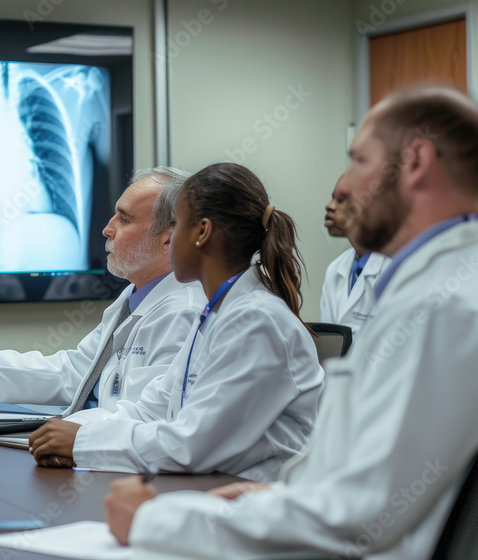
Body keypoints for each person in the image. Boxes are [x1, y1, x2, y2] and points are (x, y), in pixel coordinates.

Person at [103, 85, 478, 559]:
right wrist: (281, 498)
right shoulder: (431, 291)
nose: (341, 187)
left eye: (359, 161)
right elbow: (356, 476)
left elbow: (360, 516)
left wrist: (156, 520)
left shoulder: (446, 306)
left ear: (418, 161)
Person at [0, 169, 206, 451]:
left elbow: (150, 421)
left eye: (125, 219)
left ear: (168, 238)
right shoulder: (135, 300)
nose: (107, 228)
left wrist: (70, 431)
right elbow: (72, 374)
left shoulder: (182, 313)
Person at [29, 162, 324, 479]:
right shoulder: (217, 314)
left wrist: (81, 441)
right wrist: (64, 431)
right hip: (208, 488)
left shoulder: (257, 322)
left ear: (202, 232)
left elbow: (191, 446)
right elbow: (149, 409)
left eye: (176, 225)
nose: (168, 242)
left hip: (253, 504)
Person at [320, 184, 389, 335]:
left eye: (341, 200)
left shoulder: (392, 268)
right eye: (332, 198)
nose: (329, 206)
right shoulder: (335, 268)